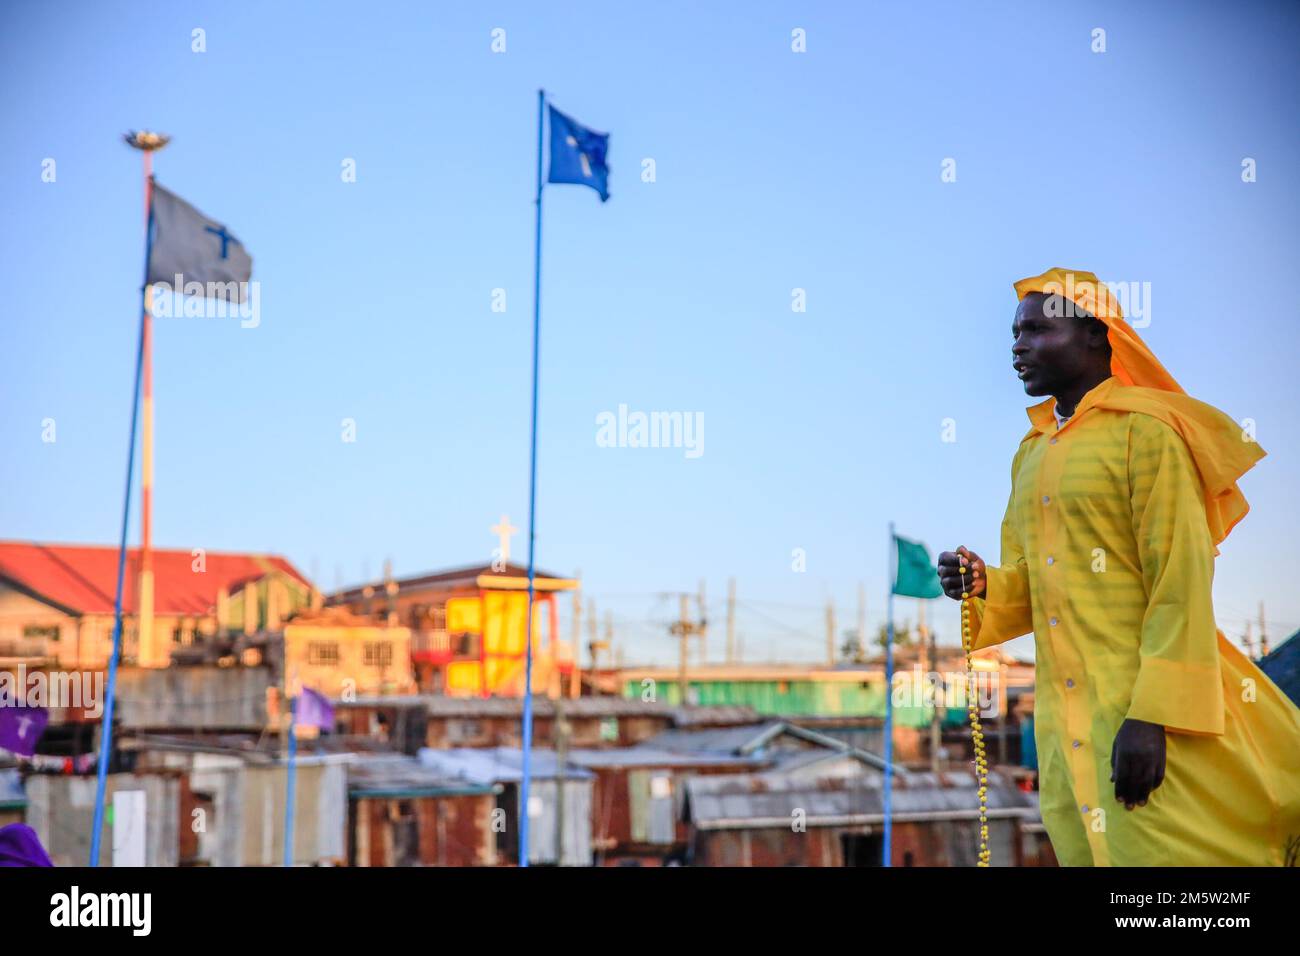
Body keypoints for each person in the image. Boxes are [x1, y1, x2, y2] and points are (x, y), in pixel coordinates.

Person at [937, 268, 1300, 866]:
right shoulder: (1030, 453)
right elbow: (1032, 581)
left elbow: (1178, 578)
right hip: (1067, 726)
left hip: (1151, 720)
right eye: (1014, 333)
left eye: (1037, 330)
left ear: (1095, 337)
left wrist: (1151, 718)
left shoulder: (1147, 432)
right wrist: (983, 584)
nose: (1017, 346)